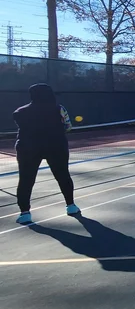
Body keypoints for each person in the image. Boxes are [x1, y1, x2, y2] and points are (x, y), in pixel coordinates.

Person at [12, 83, 81, 224]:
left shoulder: (19, 112)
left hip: (28, 148)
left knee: (25, 180)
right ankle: (71, 206)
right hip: (56, 146)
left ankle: (25, 213)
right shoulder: (59, 109)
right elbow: (68, 127)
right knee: (63, 175)